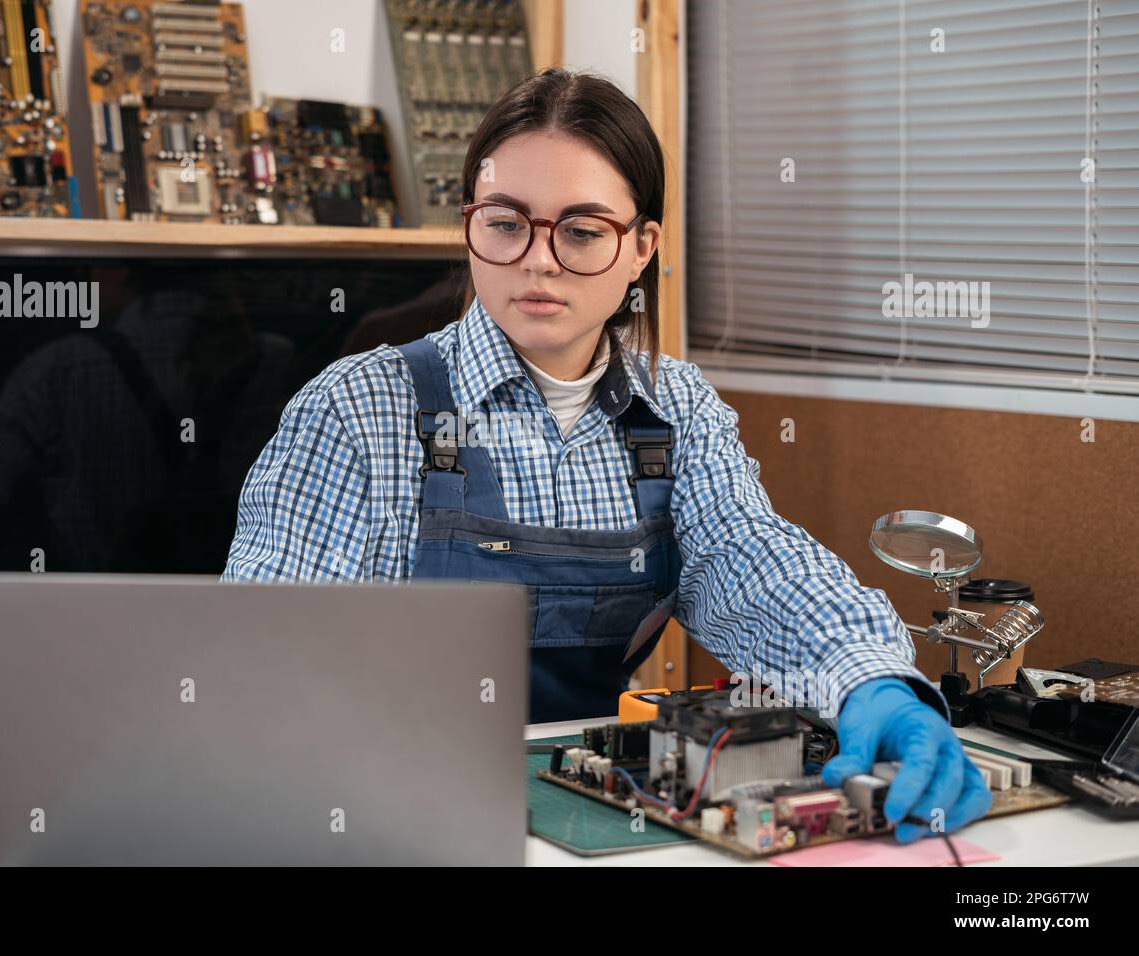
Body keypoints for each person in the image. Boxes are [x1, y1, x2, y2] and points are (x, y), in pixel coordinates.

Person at [223, 68, 991, 844]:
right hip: (380, 819)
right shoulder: (360, 407)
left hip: (596, 812)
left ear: (640, 250)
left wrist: (872, 682)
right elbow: (263, 658)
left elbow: (753, 563)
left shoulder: (677, 410)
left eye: (583, 231)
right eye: (505, 223)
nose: (539, 260)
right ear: (470, 226)